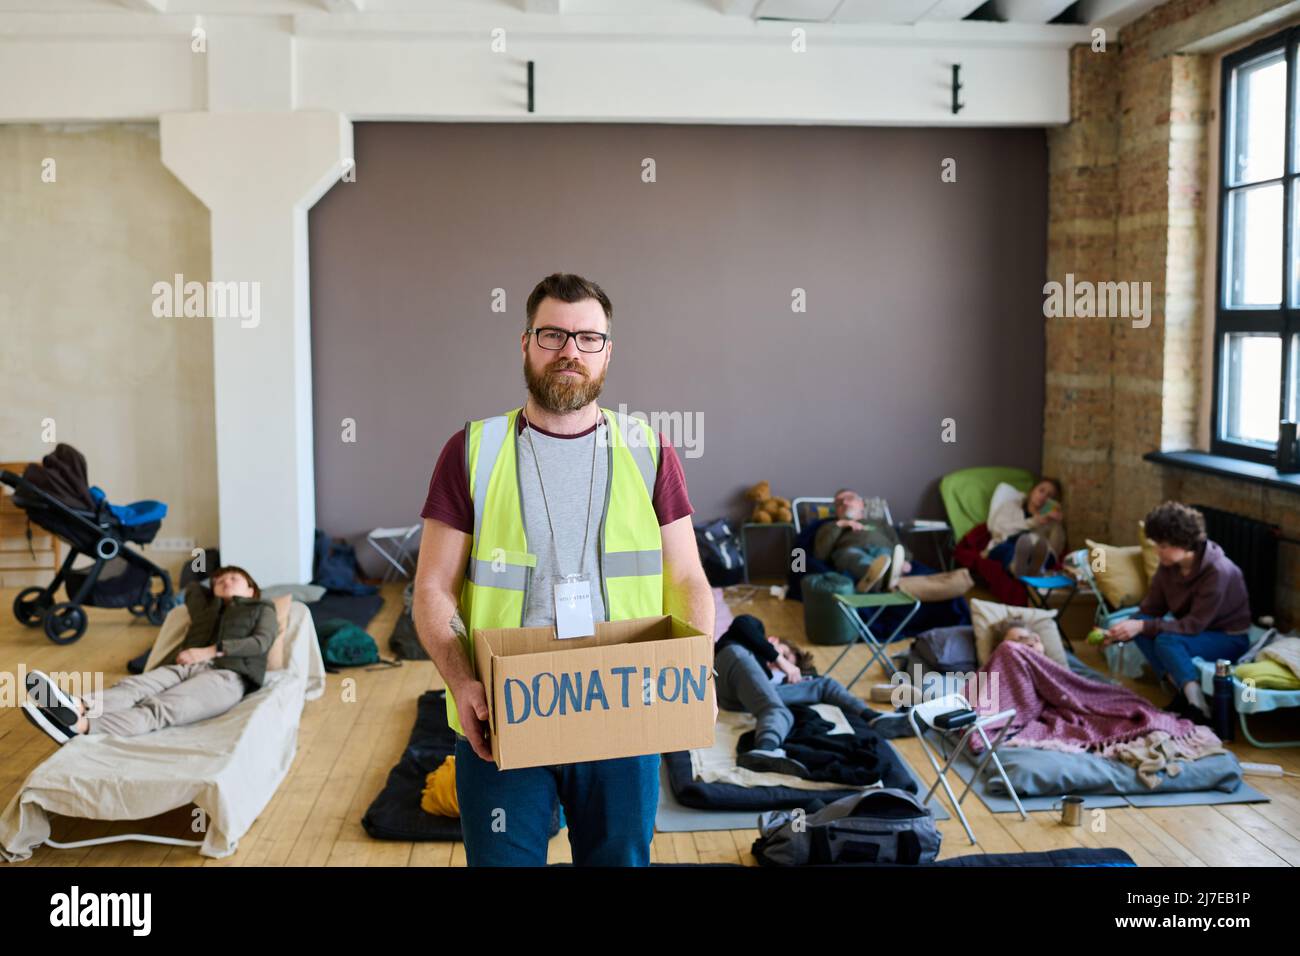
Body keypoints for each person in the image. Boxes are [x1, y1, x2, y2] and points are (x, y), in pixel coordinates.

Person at [412, 272, 715, 867]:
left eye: (587, 338)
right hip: (502, 711)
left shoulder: (649, 451)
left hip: (625, 705)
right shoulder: (472, 450)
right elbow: (431, 586)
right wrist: (463, 682)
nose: (570, 351)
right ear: (525, 343)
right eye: (552, 335)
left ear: (608, 351)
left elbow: (687, 580)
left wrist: (694, 669)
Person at [21, 565, 277, 743]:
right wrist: (214, 588)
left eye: (234, 578)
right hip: (182, 667)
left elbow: (261, 642)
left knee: (158, 709)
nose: (225, 581)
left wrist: (210, 651)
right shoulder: (205, 607)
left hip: (227, 675)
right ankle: (75, 706)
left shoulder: (262, 608)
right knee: (132, 687)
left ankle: (80, 727)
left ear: (252, 589)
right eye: (220, 580)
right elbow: (192, 588)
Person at [1103, 501, 1251, 720]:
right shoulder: (1168, 566)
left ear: (1185, 542)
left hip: (1227, 637)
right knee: (1140, 626)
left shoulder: (1218, 571)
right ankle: (1185, 691)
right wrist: (1124, 629)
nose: (1157, 551)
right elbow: (1151, 609)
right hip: (1197, 632)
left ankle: (1198, 705)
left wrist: (1142, 625)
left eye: (1163, 546)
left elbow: (1193, 625)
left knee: (1165, 640)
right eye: (1156, 544)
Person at [713, 614, 885, 775]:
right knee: (777, 710)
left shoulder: (768, 676)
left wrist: (794, 677)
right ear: (773, 640)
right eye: (785, 654)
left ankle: (873, 717)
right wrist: (780, 660)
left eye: (785, 663)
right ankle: (764, 751)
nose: (779, 666)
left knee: (824, 684)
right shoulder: (752, 631)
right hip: (729, 663)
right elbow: (741, 624)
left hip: (742, 700)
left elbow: (770, 688)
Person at [813, 488, 907, 592]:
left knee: (886, 554)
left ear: (861, 503)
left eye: (849, 498)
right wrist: (842, 524)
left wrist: (906, 560)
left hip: (883, 549)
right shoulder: (829, 526)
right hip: (850, 551)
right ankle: (879, 574)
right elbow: (821, 553)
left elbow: (898, 544)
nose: (844, 502)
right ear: (836, 511)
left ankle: (884, 574)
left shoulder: (880, 523)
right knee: (854, 557)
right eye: (839, 503)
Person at [984, 476, 1067, 577]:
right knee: (1013, 547)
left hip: (1035, 551)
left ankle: (1035, 569)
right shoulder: (1011, 506)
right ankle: (1017, 567)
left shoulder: (1050, 520)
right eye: (1041, 490)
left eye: (1049, 496)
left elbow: (1055, 550)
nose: (1043, 496)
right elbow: (998, 530)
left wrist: (1057, 524)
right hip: (1006, 545)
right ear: (1032, 491)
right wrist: (1033, 522)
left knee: (1044, 551)